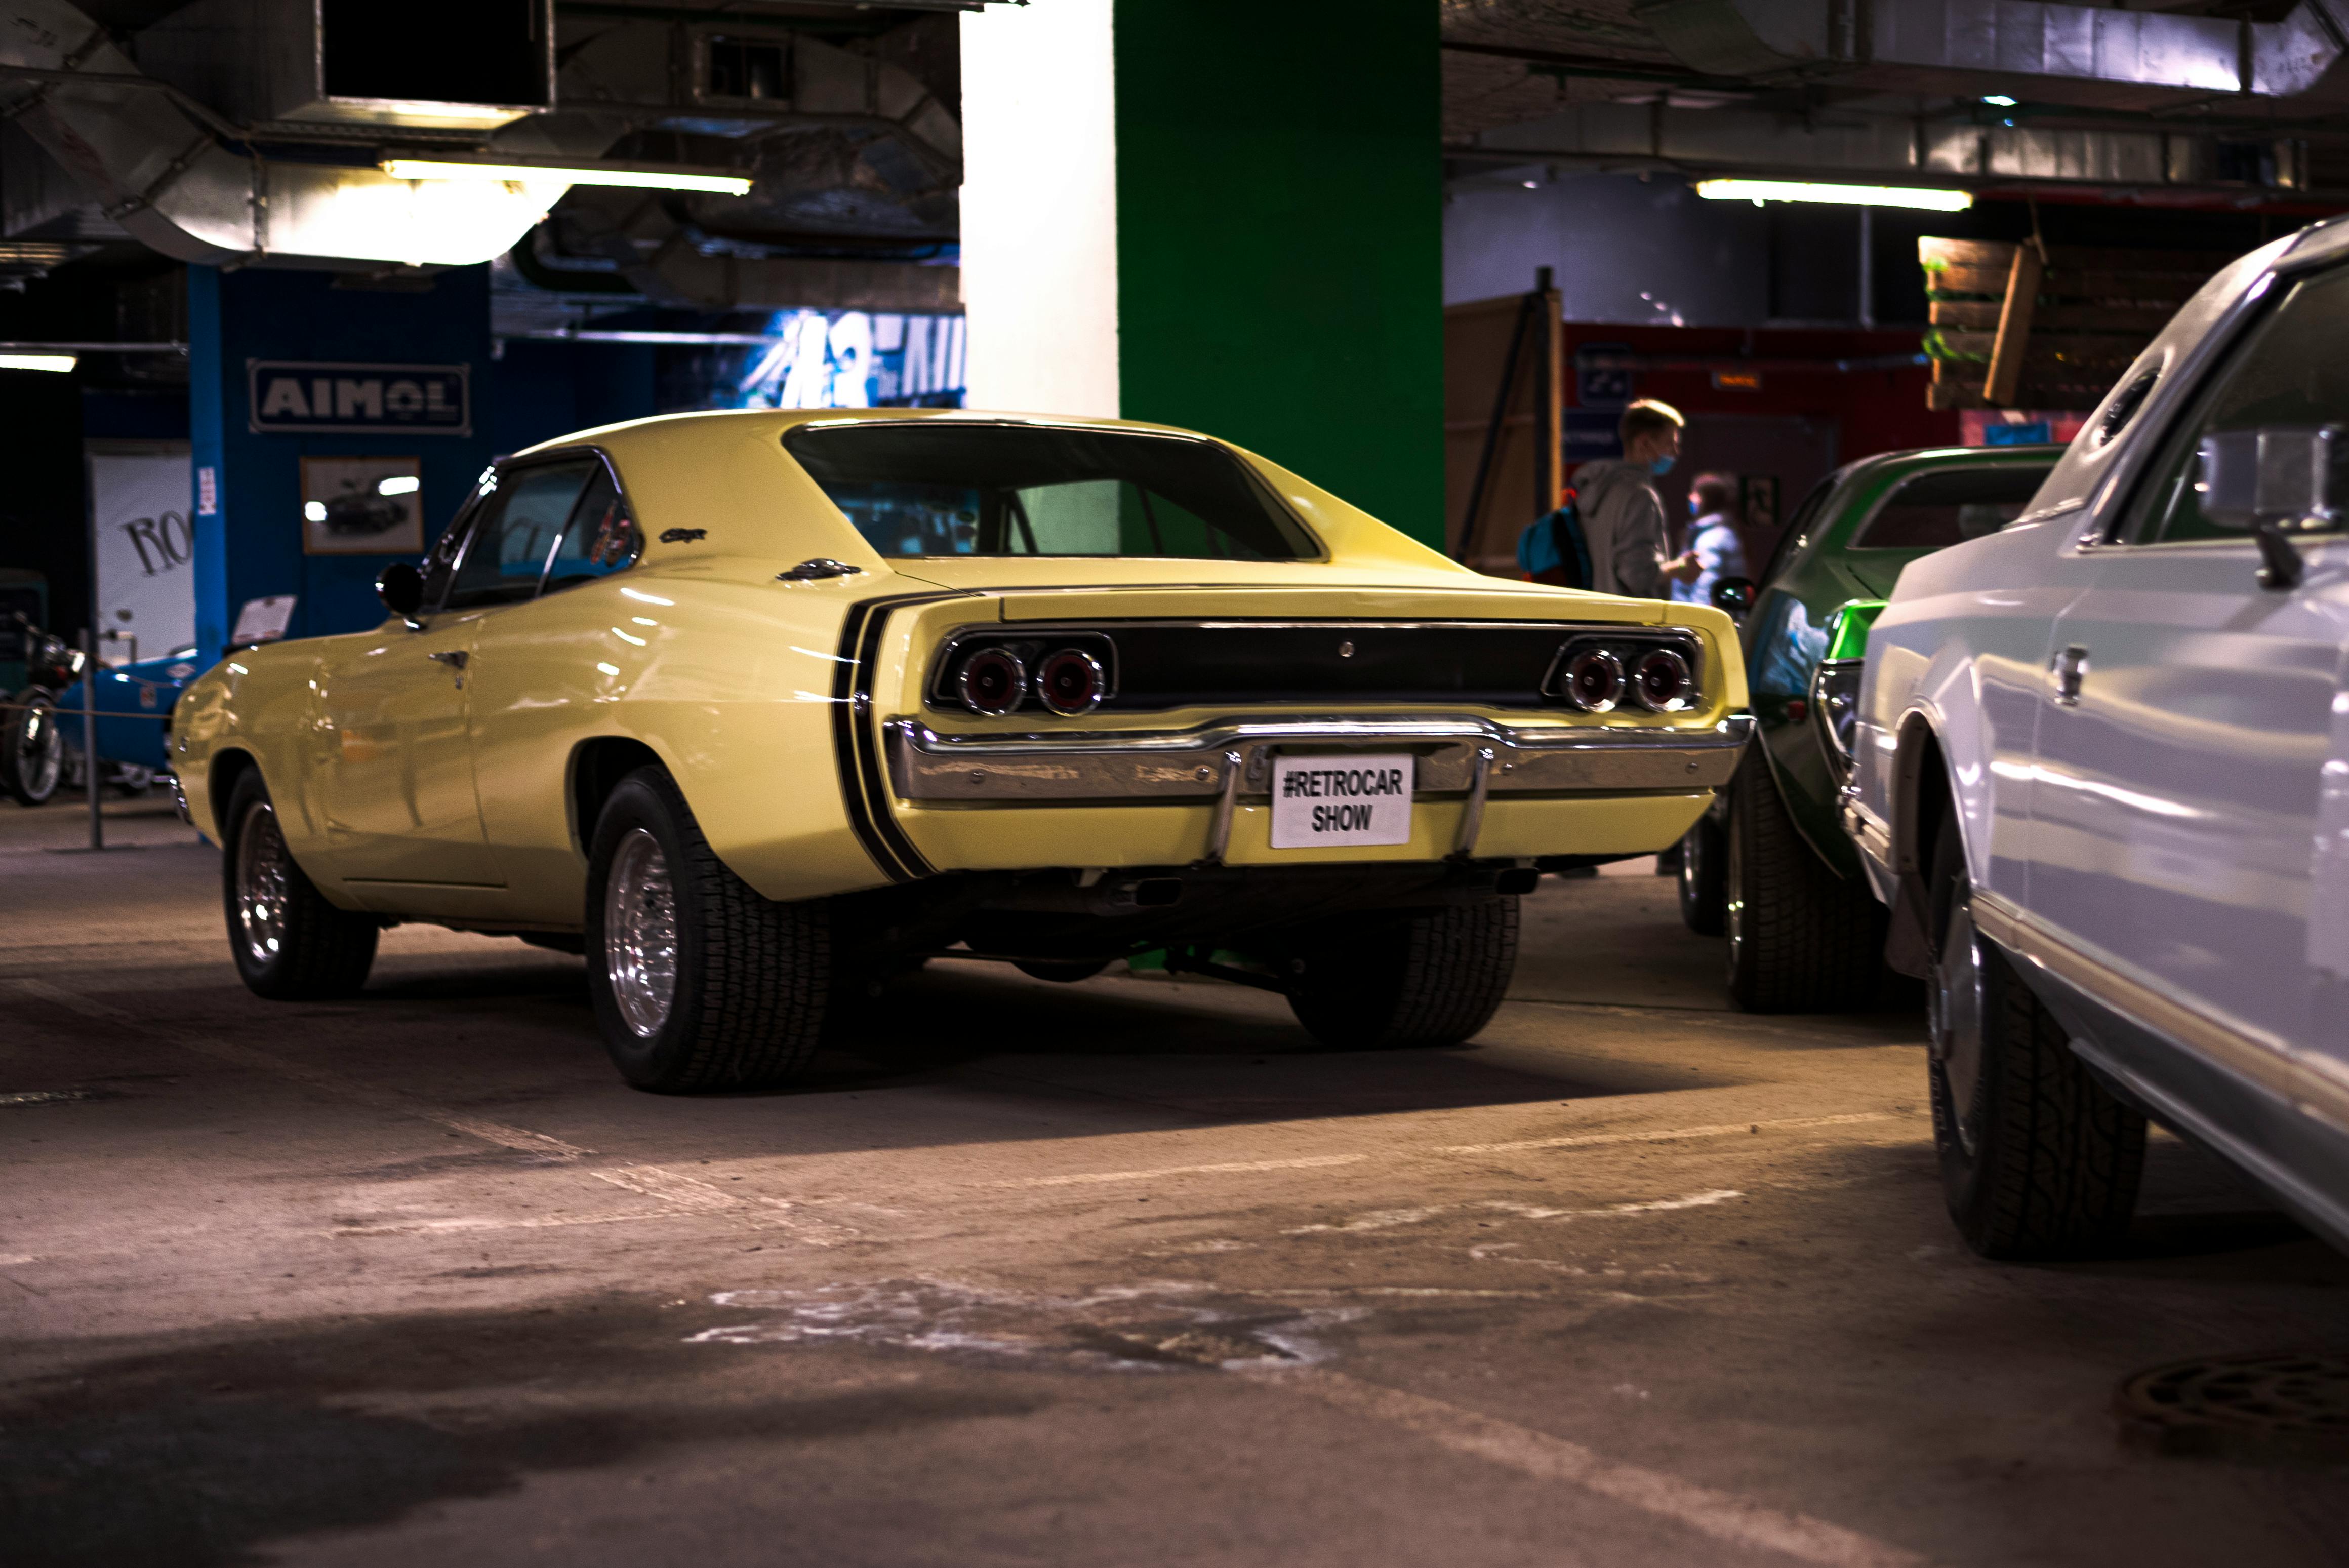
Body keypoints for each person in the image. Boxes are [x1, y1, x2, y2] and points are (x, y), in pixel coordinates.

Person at [1567, 399, 1701, 600]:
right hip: (1631, 623)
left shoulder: (1596, 489)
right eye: (1669, 444)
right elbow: (1637, 576)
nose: (1675, 453)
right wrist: (1681, 568)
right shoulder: (1641, 496)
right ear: (1645, 443)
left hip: (1597, 614)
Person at [1672, 472, 1748, 611]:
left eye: (1694, 493)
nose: (1690, 497)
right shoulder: (1720, 532)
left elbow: (1705, 591)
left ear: (1704, 499)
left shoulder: (1711, 538)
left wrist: (1693, 625)